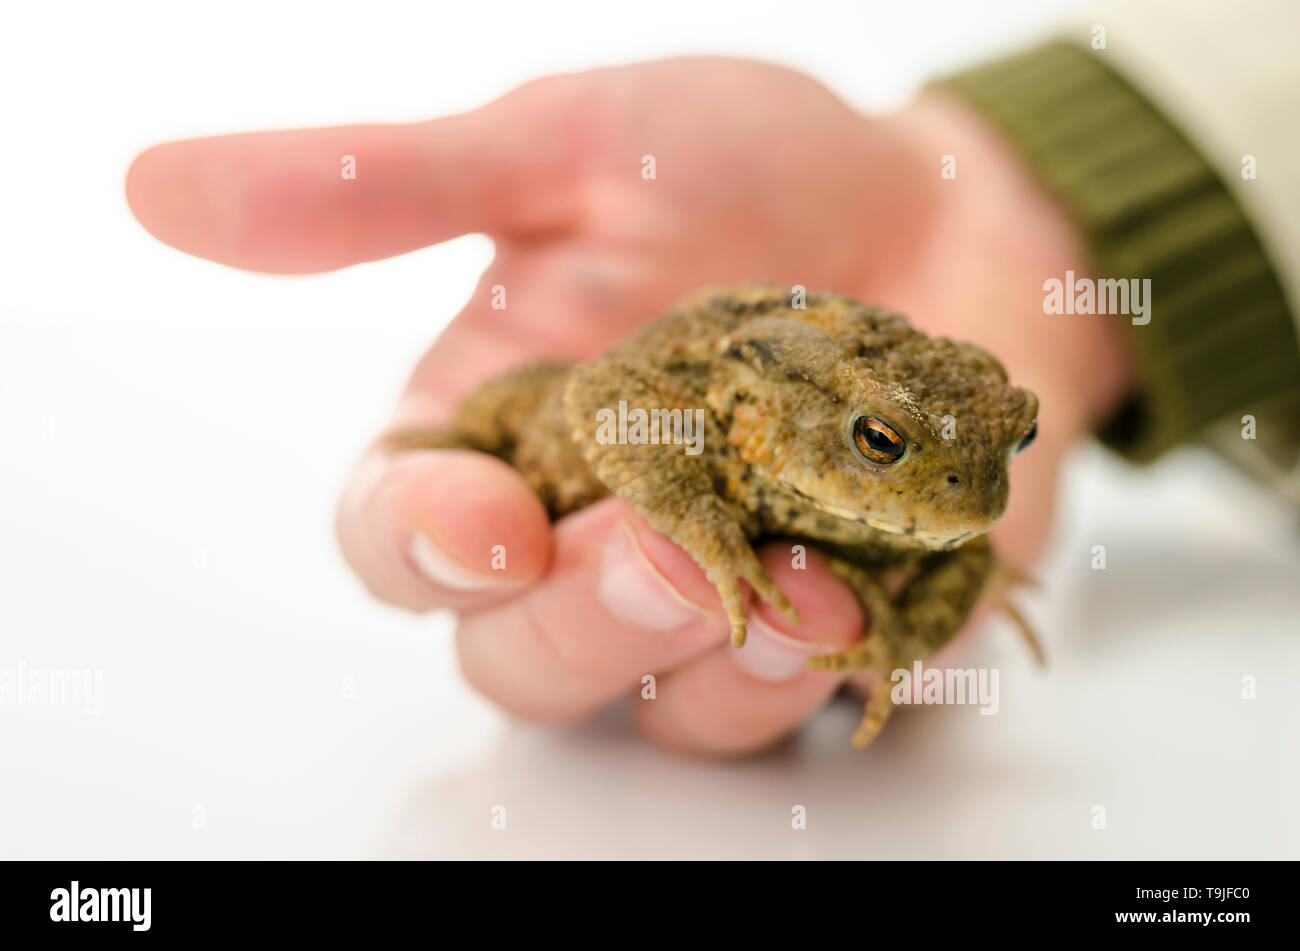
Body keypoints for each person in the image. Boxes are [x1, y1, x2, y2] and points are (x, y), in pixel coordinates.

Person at [124, 1, 1299, 755]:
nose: (976, 489)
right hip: (646, 384)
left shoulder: (936, 484)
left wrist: (897, 633)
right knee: (484, 466)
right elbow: (597, 396)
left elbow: (967, 534)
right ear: (784, 424)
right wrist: (689, 510)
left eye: (1009, 446)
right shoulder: (736, 400)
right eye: (891, 447)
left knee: (924, 566)